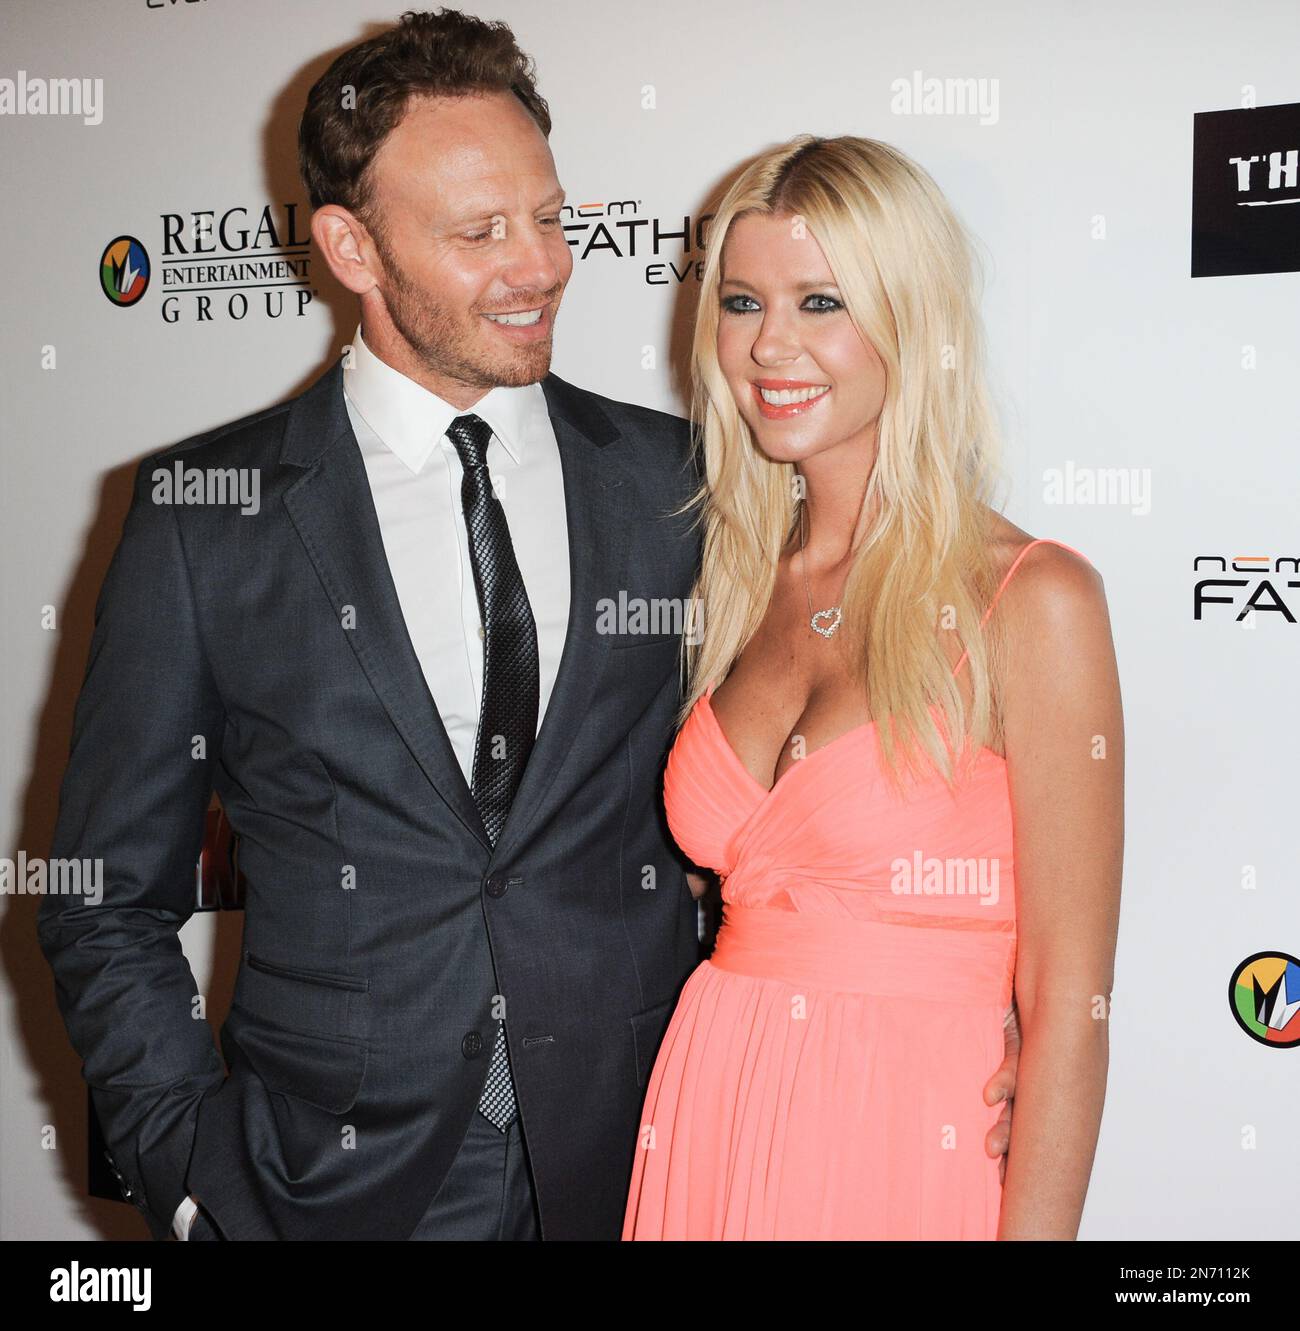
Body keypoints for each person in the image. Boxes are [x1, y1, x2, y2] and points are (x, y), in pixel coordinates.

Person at [36, 9, 705, 1241]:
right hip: (328, 1187)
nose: (541, 264)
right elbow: (101, 893)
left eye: (551, 216)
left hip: (640, 1161)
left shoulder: (675, 483)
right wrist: (188, 1172)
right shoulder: (206, 516)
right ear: (350, 246)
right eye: (479, 232)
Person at [623, 135, 1123, 1240]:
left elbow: (1070, 1010)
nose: (769, 344)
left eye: (821, 302)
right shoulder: (737, 581)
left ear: (912, 320)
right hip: (713, 1107)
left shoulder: (1030, 599)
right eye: (743, 300)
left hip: (904, 1136)